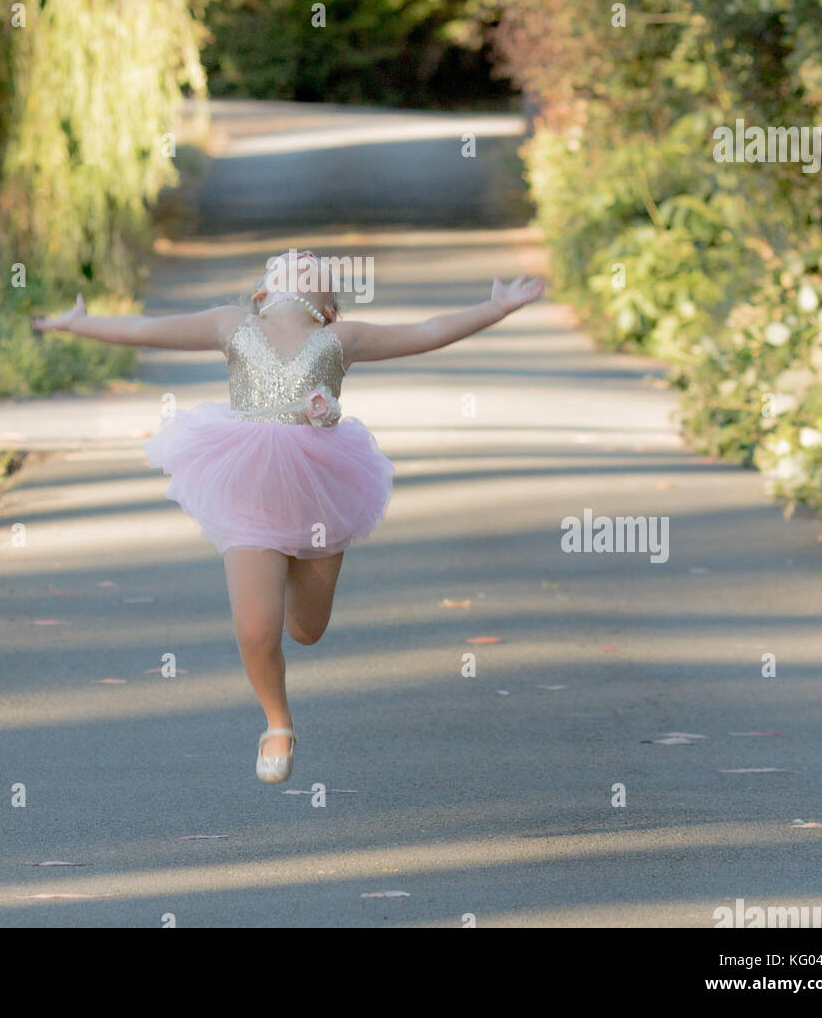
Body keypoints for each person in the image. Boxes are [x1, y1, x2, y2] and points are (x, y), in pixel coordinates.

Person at [32, 249, 544, 783]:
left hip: (321, 487)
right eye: (288, 260)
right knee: (256, 627)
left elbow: (429, 328)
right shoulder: (232, 325)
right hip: (248, 488)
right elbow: (145, 328)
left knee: (307, 629)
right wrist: (81, 324)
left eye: (311, 263)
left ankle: (299, 588)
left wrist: (497, 308)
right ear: (261, 293)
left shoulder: (343, 339)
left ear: (328, 307)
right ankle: (277, 723)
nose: (300, 257)